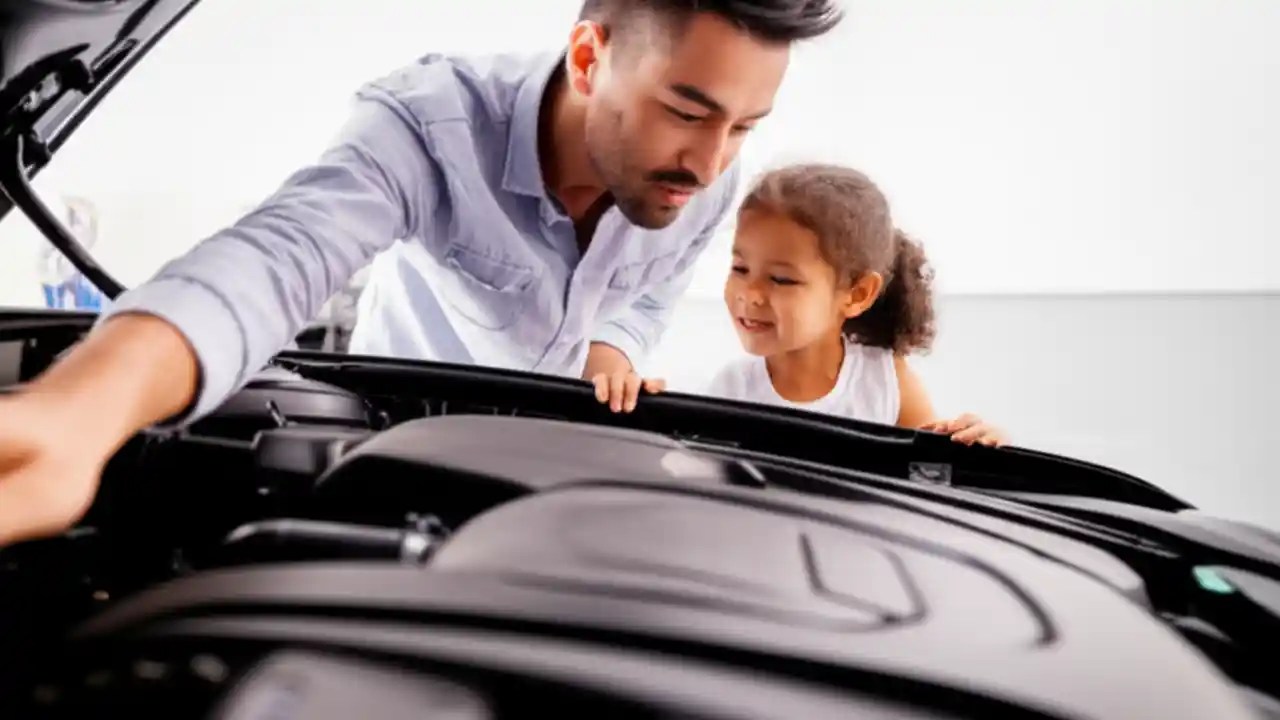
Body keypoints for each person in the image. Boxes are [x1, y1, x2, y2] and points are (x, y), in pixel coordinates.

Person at [0, 0, 843, 547]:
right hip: (389, 453)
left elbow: (655, 284)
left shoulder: (708, 171)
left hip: (547, 468)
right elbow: (276, 255)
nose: (709, 161)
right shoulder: (431, 123)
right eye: (686, 111)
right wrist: (83, 413)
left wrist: (617, 340)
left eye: (743, 126)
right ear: (589, 58)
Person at [701, 163, 1007, 446]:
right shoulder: (732, 389)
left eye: (781, 279)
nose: (750, 294)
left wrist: (982, 444)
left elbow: (929, 474)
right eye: (740, 269)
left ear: (857, 294)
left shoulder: (886, 382)